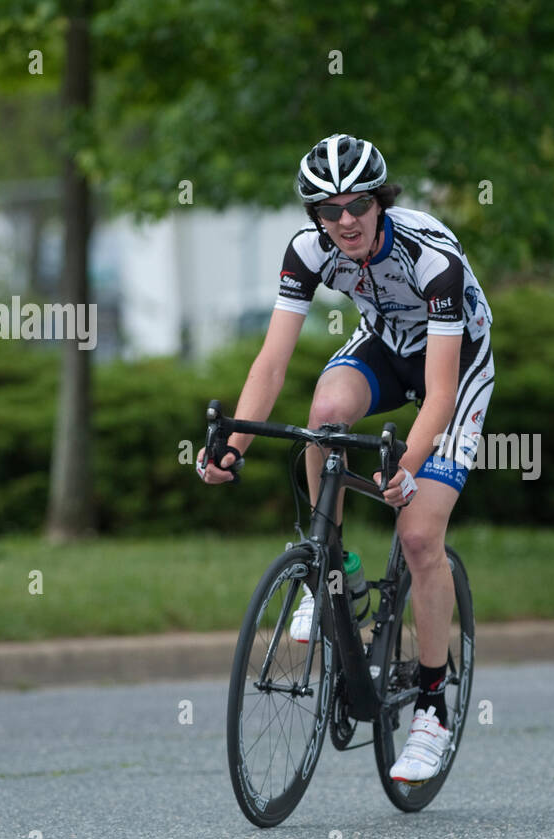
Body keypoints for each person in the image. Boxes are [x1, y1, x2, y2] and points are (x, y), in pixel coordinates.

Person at [198, 133, 495, 783]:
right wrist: (232, 445)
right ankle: (329, 564)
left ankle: (431, 709)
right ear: (314, 217)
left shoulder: (431, 259)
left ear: (380, 200)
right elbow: (272, 361)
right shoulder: (308, 252)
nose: (346, 221)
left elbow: (440, 391)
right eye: (328, 211)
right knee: (324, 415)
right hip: (387, 348)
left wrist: (405, 465)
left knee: (419, 536)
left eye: (358, 204)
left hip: (455, 368)